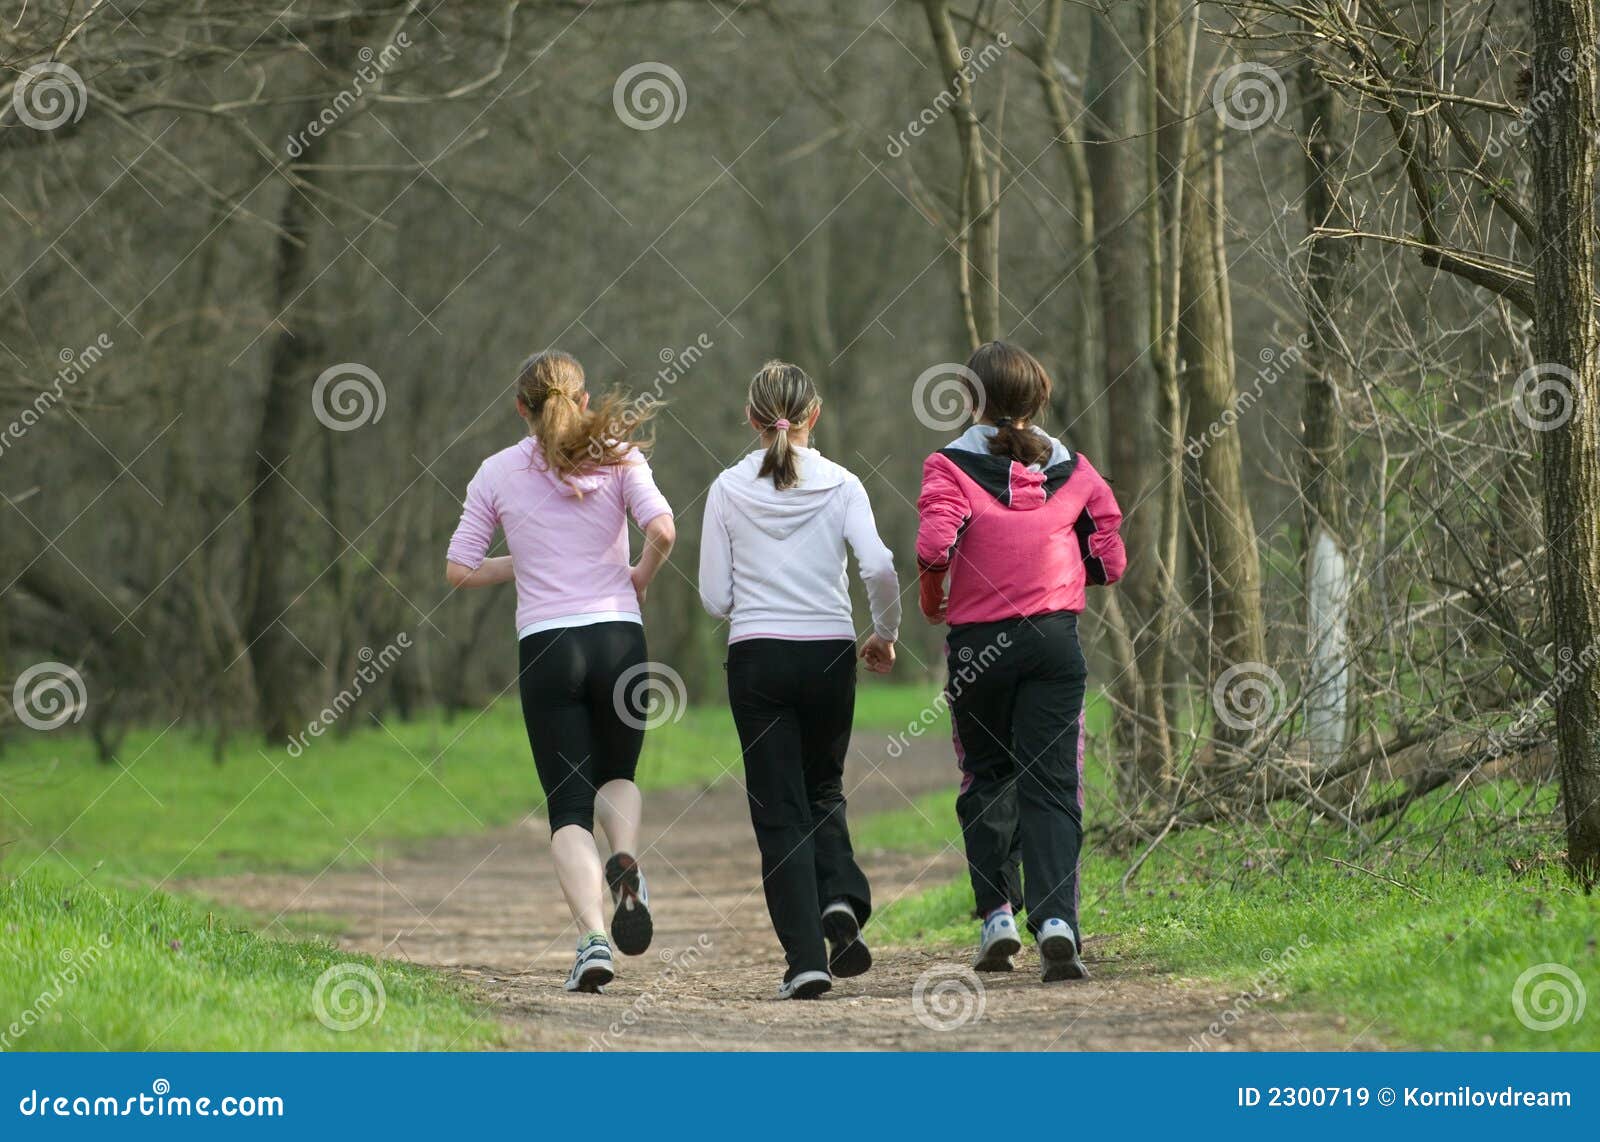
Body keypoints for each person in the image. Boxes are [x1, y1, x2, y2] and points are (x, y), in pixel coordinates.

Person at [445, 350, 675, 994]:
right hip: (618, 639)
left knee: (567, 809)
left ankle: (593, 940)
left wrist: (525, 563)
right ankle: (625, 858)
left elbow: (459, 570)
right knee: (619, 776)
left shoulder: (495, 472)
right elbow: (663, 529)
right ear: (582, 399)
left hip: (548, 646)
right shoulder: (620, 454)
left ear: (521, 407)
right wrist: (639, 580)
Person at [915, 341, 1125, 983]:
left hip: (979, 647)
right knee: (1055, 782)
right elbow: (1111, 560)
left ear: (972, 401)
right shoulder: (1076, 469)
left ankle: (998, 916)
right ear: (1038, 399)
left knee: (986, 775)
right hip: (1054, 642)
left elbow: (932, 548)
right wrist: (1064, 576)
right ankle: (1058, 922)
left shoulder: (947, 466)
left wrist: (934, 600)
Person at [698, 360, 901, 999]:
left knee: (778, 809)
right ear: (814, 415)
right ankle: (840, 897)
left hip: (758, 657)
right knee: (823, 788)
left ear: (751, 420)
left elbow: (712, 597)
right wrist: (885, 633)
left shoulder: (727, 488)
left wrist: (754, 603)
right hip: (829, 654)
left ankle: (806, 962)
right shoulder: (843, 484)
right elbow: (880, 566)